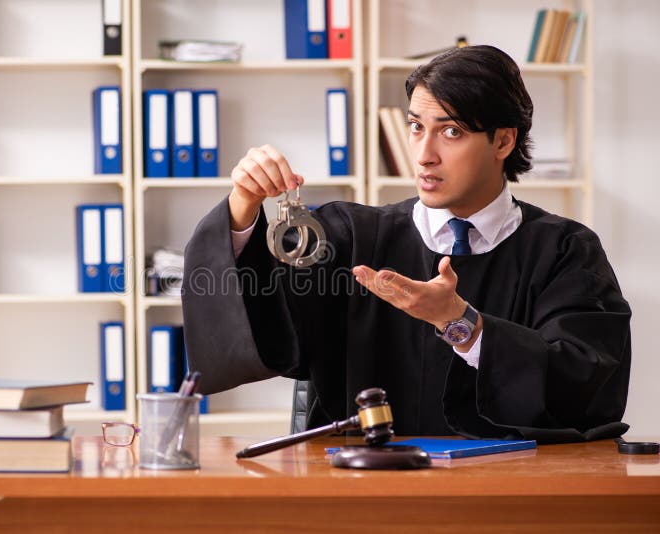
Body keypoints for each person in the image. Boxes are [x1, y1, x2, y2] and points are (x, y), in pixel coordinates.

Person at [181, 45, 631, 443]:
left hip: (503, 496)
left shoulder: (565, 251)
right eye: (416, 127)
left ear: (504, 140)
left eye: (451, 131)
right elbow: (266, 331)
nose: (423, 154)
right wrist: (242, 209)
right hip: (362, 490)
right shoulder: (348, 237)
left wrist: (463, 325)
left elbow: (589, 388)